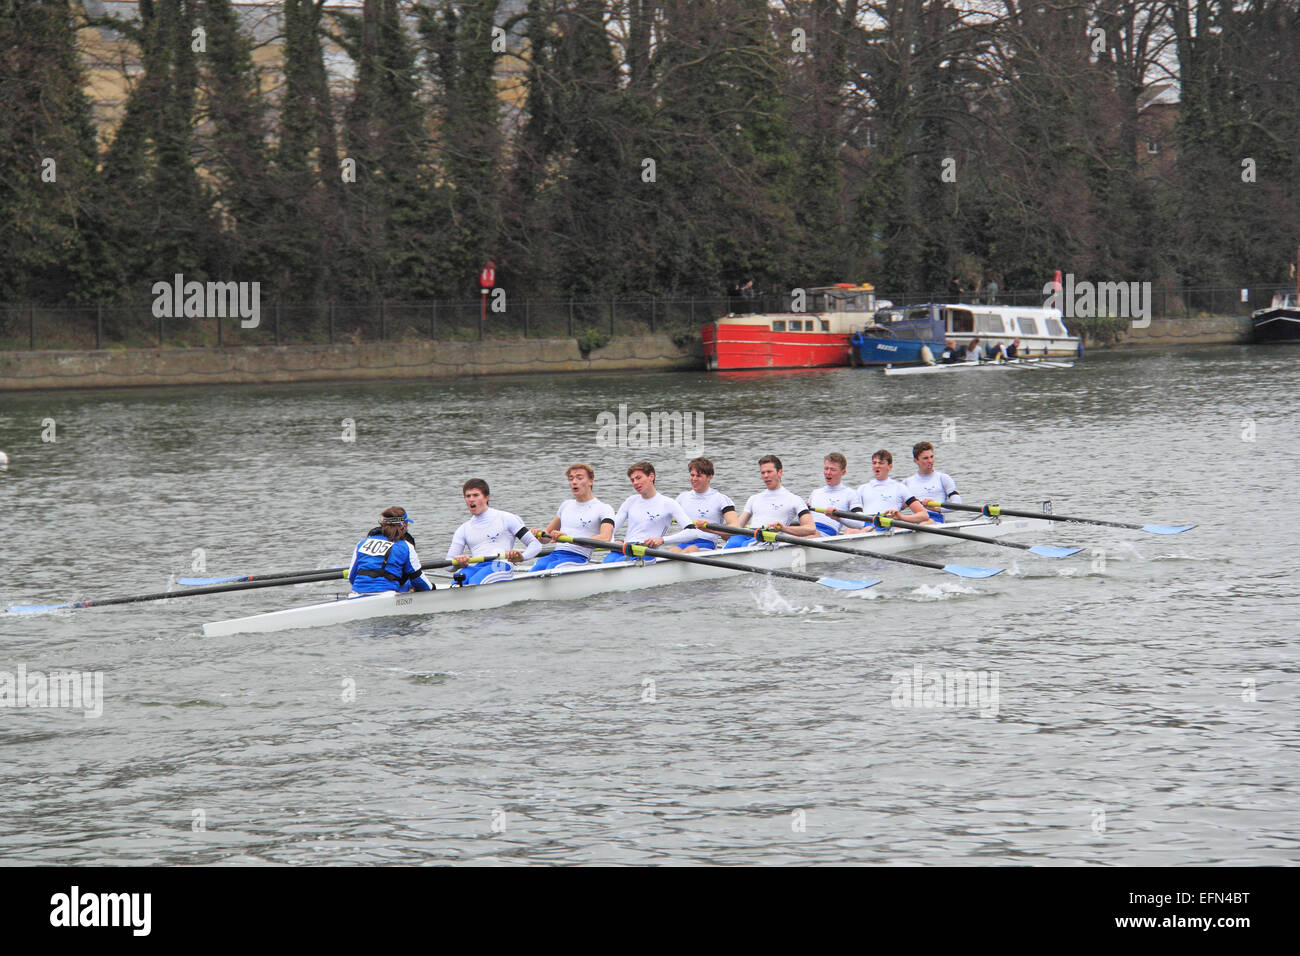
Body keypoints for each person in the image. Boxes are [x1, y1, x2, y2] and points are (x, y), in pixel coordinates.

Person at [446, 478, 543, 585]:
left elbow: (535, 544)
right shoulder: (463, 529)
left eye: (475, 495)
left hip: (500, 564)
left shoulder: (507, 518)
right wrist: (458, 563)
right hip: (477, 566)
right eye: (468, 496)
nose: (471, 499)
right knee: (456, 583)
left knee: (475, 582)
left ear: (487, 497)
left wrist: (522, 557)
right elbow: (448, 565)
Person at [604, 460, 699, 562]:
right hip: (624, 549)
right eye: (632, 480)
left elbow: (692, 532)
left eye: (638, 478)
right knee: (602, 566)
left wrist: (662, 540)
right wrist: (613, 541)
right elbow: (609, 530)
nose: (635, 483)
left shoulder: (668, 503)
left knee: (615, 567)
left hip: (646, 552)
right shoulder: (630, 501)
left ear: (651, 477)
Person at [530, 463, 616, 570]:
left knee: (552, 568)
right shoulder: (566, 505)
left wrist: (569, 539)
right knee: (537, 567)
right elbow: (547, 537)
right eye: (571, 479)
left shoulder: (604, 508)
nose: (574, 482)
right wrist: (539, 536)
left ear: (591, 481)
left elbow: (605, 538)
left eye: (579, 478)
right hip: (556, 554)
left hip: (578, 557)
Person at [725, 454, 819, 548]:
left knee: (745, 546)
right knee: (732, 542)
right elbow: (737, 527)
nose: (766, 476)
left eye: (769, 472)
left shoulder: (794, 499)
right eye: (763, 473)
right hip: (749, 535)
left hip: (770, 537)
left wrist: (784, 528)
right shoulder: (753, 498)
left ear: (780, 472)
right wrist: (712, 528)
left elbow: (811, 528)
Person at [348, 506, 433, 594]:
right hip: (386, 594)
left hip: (357, 593)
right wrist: (432, 588)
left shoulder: (362, 543)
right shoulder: (406, 546)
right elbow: (418, 580)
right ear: (403, 525)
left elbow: (352, 577)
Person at [672, 457, 741, 551]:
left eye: (698, 476)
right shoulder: (682, 498)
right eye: (692, 475)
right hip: (685, 541)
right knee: (672, 551)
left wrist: (710, 529)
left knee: (690, 550)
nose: (694, 479)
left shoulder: (721, 499)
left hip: (707, 542)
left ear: (710, 477)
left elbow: (735, 527)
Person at [856, 449, 931, 524]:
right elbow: (855, 516)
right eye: (874, 463)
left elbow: (924, 515)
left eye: (881, 463)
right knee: (850, 530)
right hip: (869, 526)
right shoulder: (862, 489)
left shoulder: (900, 488)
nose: (876, 466)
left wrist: (901, 517)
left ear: (890, 466)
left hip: (892, 525)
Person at [903, 441, 962, 522]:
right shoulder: (907, 483)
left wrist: (936, 508)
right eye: (925, 458)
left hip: (936, 521)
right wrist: (903, 505)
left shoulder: (943, 478)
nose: (930, 461)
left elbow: (957, 504)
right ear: (916, 461)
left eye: (931, 457)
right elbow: (894, 506)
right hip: (916, 520)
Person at [807, 452, 863, 535]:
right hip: (808, 529)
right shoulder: (815, 492)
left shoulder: (850, 494)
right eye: (826, 468)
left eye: (832, 469)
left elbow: (861, 522)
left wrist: (838, 517)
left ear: (843, 472)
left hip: (826, 533)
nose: (828, 472)